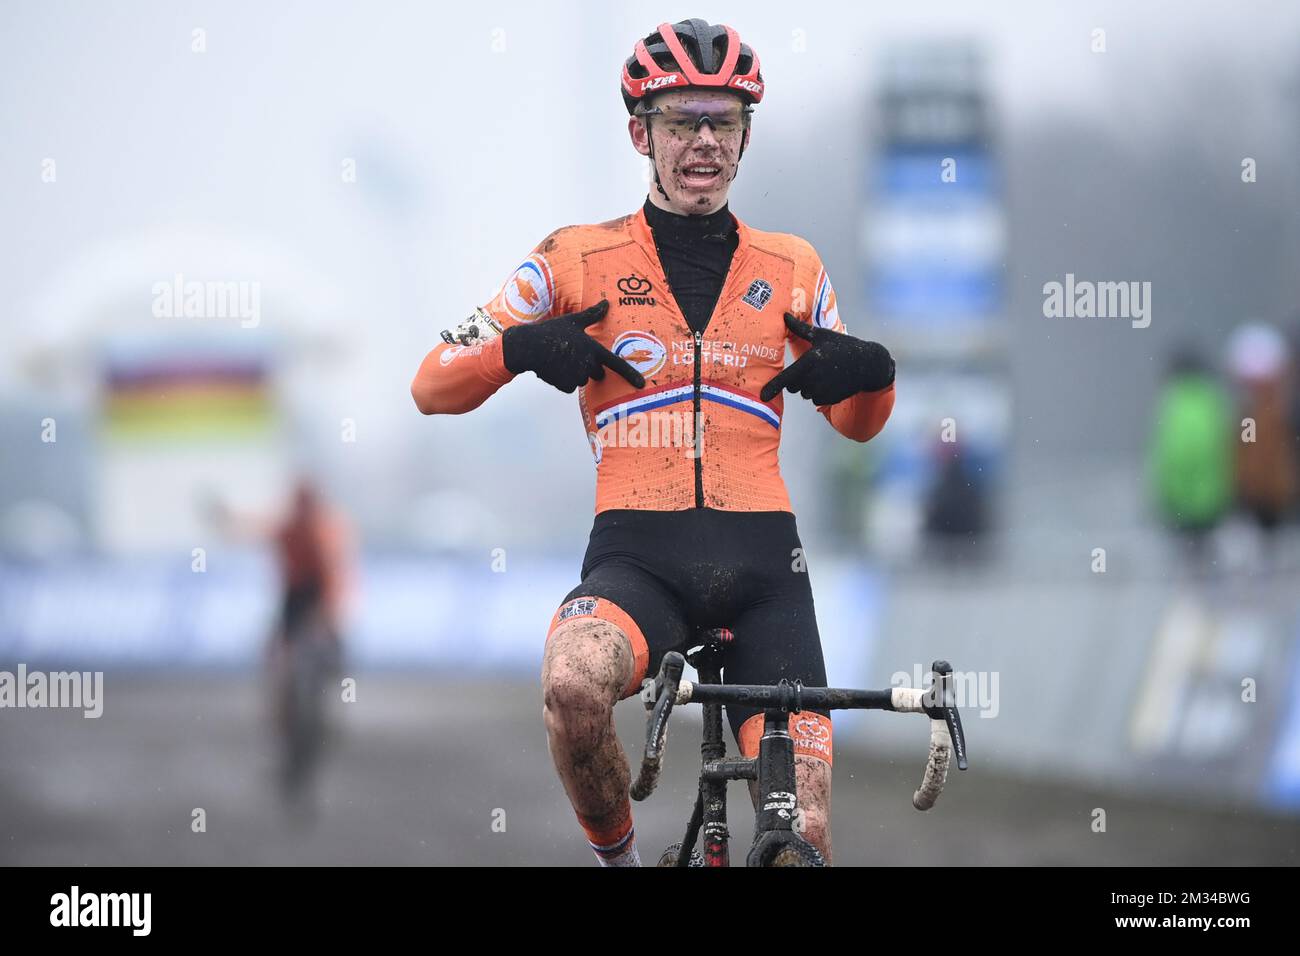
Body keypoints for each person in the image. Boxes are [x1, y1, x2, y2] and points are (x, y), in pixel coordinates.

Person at [411, 19, 896, 866]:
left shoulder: (794, 266)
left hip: (765, 580)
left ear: (746, 134)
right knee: (570, 685)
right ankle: (624, 863)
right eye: (681, 121)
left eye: (724, 121)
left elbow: (858, 428)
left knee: (803, 839)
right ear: (641, 131)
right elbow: (432, 382)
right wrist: (519, 348)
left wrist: (872, 376)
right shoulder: (575, 258)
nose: (704, 141)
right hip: (639, 568)